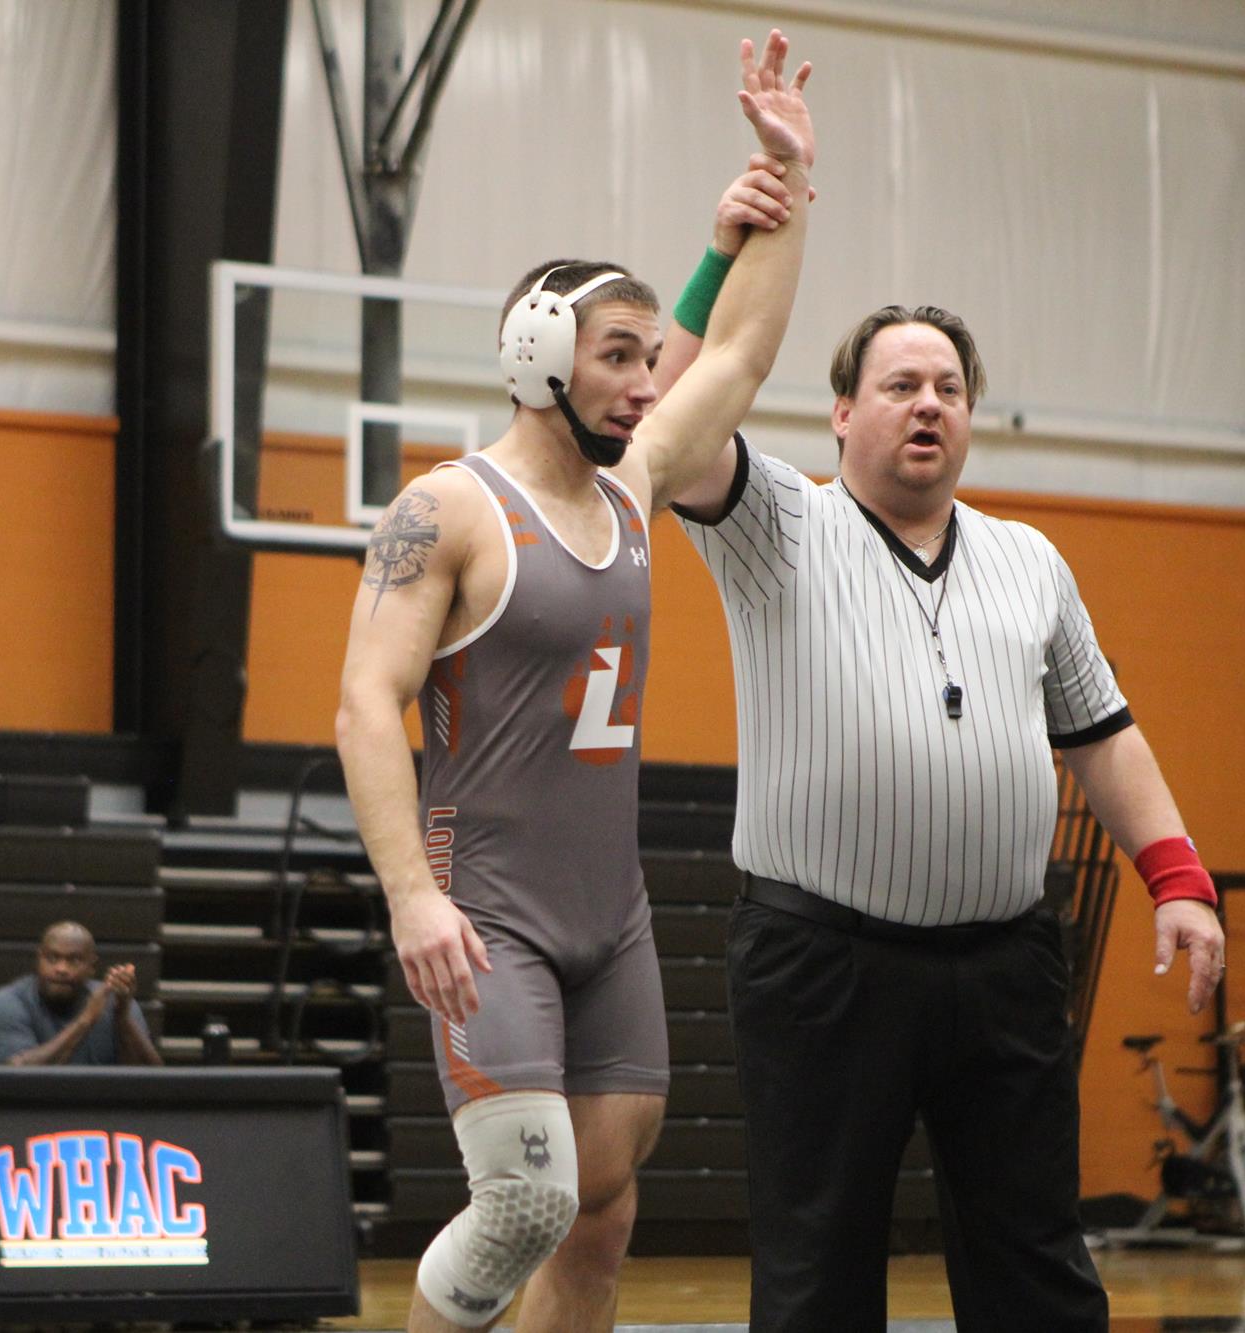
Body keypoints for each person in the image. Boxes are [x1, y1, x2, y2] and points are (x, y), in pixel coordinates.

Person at [334, 33, 815, 1333]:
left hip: (613, 913)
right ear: (543, 358)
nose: (645, 379)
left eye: (648, 357)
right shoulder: (445, 508)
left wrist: (789, 181)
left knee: (603, 1211)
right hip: (486, 906)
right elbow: (363, 703)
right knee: (525, 1205)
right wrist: (413, 897)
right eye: (617, 355)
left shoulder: (635, 486)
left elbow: (744, 358)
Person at [660, 287, 1228, 1326]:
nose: (928, 405)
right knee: (816, 1269)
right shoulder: (775, 524)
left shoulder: (1029, 561)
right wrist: (724, 258)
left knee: (1035, 1265)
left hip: (1005, 965)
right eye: (899, 385)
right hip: (821, 965)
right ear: (840, 412)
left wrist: (1177, 877)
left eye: (948, 388)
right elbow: (671, 415)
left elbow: (1100, 734)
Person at [0, 920, 163, 1067]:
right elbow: (19, 1081)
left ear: (92, 967)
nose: (61, 969)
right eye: (52, 958)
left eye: (74, 960)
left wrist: (122, 1018)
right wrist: (85, 1020)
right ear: (39, 959)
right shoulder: (6, 1005)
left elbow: (152, 1083)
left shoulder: (115, 1004)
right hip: (24, 1116)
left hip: (98, 1114)